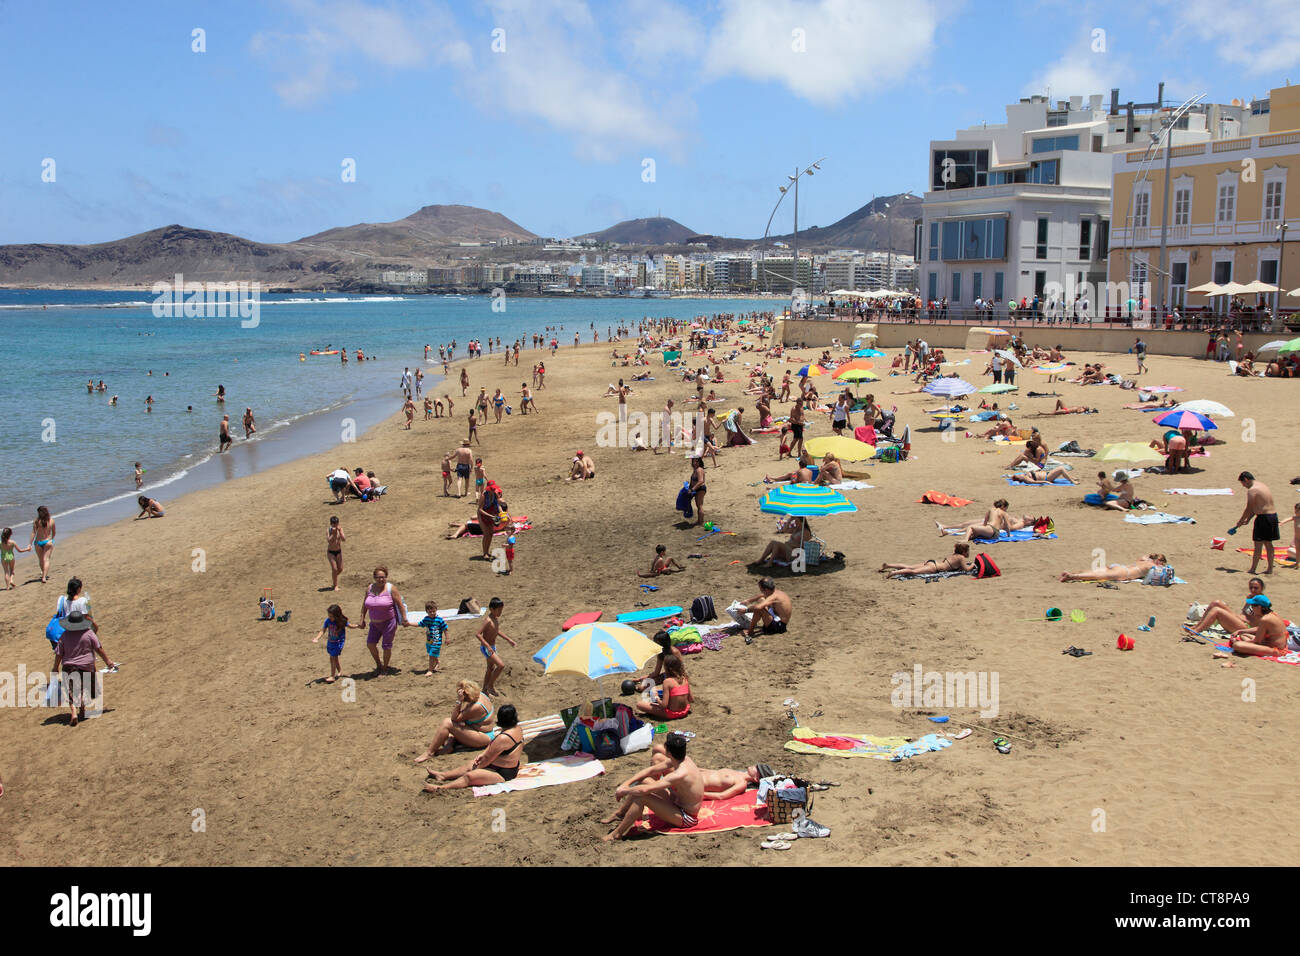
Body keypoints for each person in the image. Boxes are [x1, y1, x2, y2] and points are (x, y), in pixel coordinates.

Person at [603, 732, 704, 840]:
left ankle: (616, 834)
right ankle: (620, 814)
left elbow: (645, 790)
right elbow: (650, 770)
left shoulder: (679, 774)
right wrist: (626, 784)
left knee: (642, 798)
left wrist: (624, 791)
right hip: (676, 802)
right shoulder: (684, 759)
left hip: (686, 817)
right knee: (645, 780)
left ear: (669, 753)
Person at [423, 703, 525, 792]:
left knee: (470, 776)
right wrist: (483, 754)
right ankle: (443, 775)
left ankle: (440, 788)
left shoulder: (503, 738)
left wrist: (476, 768)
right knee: (470, 765)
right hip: (504, 766)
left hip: (503, 773)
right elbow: (492, 748)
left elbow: (487, 759)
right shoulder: (517, 729)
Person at [54, 611, 116, 726]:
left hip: (69, 666)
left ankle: (74, 712)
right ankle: (82, 708)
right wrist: (108, 661)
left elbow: (59, 654)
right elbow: (99, 648)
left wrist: (55, 667)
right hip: (87, 666)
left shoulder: (64, 636)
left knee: (69, 690)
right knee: (83, 688)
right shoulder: (89, 633)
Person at [414, 679, 498, 762]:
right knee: (450, 730)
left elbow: (454, 718)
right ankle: (448, 747)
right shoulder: (481, 695)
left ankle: (429, 753)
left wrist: (459, 701)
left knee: (447, 723)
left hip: (483, 736)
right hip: (477, 730)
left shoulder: (476, 707)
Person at [359, 566, 408, 676]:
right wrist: (362, 619)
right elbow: (364, 605)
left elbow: (400, 604)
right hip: (374, 623)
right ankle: (378, 664)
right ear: (374, 577)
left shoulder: (391, 588)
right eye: (378, 577)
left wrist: (404, 618)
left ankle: (385, 667)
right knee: (370, 644)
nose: (381, 579)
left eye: (383, 577)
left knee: (386, 646)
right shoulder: (370, 588)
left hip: (389, 622)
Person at [1214, 595, 1293, 659]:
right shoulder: (1272, 614)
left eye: (1252, 606)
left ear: (1259, 607)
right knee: (1243, 635)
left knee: (1237, 645)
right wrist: (1240, 631)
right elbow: (1259, 629)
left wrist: (1237, 642)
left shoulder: (1265, 619)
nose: (1251, 608)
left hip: (1277, 650)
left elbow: (1257, 641)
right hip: (1271, 643)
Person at [1184, 577, 1266, 636]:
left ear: (1262, 588)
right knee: (1216, 603)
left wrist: (1240, 618)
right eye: (1251, 587)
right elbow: (1244, 612)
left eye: (1256, 588)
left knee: (1217, 610)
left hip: (1246, 627)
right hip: (1240, 620)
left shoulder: (1261, 603)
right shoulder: (1251, 597)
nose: (1253, 590)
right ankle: (1198, 625)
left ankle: (1197, 630)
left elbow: (1257, 623)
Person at [1233, 472, 1279, 574]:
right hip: (1273, 516)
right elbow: (1258, 506)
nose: (1244, 486)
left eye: (1243, 484)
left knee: (1258, 545)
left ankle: (1253, 569)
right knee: (1268, 544)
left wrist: (1240, 521)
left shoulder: (1252, 490)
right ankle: (1270, 569)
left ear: (1246, 479)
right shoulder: (1262, 485)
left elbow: (1249, 508)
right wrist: (1248, 519)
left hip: (1263, 518)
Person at [477, 597, 517, 697]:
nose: (500, 612)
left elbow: (497, 631)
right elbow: (477, 634)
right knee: (501, 665)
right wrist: (487, 645)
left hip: (492, 647)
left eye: (501, 610)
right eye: (498, 610)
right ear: (491, 609)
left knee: (490, 668)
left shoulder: (495, 619)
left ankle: (484, 690)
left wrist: (508, 639)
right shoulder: (488, 620)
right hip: (487, 648)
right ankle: (490, 686)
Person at [634, 655, 693, 720]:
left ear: (667, 668)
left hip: (672, 714)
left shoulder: (667, 682)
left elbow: (663, 705)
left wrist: (656, 697)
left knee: (639, 704)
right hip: (685, 712)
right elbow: (691, 699)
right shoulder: (685, 679)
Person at [312, 604, 358, 683]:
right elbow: (322, 630)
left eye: (331, 616)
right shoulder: (328, 621)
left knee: (332, 658)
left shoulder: (341, 621)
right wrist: (317, 638)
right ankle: (340, 671)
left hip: (338, 643)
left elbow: (350, 626)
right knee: (334, 657)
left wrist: (358, 626)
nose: (330, 618)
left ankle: (332, 676)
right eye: (329, 616)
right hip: (330, 642)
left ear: (337, 616)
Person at [879, 542, 973, 579]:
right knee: (913, 572)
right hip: (934, 568)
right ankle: (893, 573)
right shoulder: (961, 558)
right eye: (968, 551)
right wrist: (973, 565)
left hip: (933, 562)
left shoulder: (954, 554)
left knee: (909, 566)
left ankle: (888, 565)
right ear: (964, 552)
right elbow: (966, 569)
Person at [1059, 553, 1166, 583]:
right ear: (1159, 561)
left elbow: (1142, 557)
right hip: (1124, 572)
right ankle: (1072, 576)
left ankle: (1073, 574)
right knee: (1096, 576)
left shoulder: (1145, 559)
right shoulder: (1153, 565)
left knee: (1095, 572)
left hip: (1120, 566)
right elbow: (1161, 575)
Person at [416, 601, 448, 676]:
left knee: (431, 655)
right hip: (429, 641)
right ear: (426, 611)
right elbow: (419, 624)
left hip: (437, 642)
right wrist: (409, 624)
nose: (432, 613)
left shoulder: (440, 620)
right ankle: (437, 662)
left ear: (436, 610)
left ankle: (430, 670)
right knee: (431, 653)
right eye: (430, 612)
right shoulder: (426, 619)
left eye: (433, 611)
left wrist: (447, 638)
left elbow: (445, 629)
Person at [29, 505, 55, 583]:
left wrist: (29, 543)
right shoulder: (51, 520)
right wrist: (51, 539)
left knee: (41, 560)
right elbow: (54, 532)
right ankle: (44, 577)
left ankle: (43, 574)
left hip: (38, 542)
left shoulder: (36, 521)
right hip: (48, 541)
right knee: (46, 559)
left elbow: (33, 533)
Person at [326, 515, 345, 590]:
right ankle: (335, 585)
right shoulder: (328, 530)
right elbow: (329, 541)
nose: (335, 525)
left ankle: (334, 578)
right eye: (334, 524)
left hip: (338, 551)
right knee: (334, 569)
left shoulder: (340, 529)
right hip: (331, 552)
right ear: (331, 524)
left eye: (336, 523)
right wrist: (333, 534)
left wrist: (340, 532)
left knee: (340, 569)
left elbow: (344, 539)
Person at [687, 456, 707, 528]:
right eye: (693, 461)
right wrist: (689, 488)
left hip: (700, 489)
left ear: (699, 462)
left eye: (696, 461)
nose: (695, 463)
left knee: (700, 505)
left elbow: (701, 481)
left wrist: (692, 489)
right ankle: (699, 521)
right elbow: (692, 481)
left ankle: (700, 522)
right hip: (696, 489)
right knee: (698, 505)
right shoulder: (695, 470)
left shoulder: (699, 470)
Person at [1008, 466, 1076, 485]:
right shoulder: (1026, 479)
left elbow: (1012, 477)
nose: (1019, 474)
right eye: (1018, 476)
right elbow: (1034, 482)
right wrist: (1046, 482)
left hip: (1047, 474)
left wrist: (1010, 477)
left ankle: (1071, 478)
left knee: (1060, 469)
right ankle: (1072, 481)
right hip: (1047, 478)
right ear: (1019, 479)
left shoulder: (1023, 475)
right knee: (1061, 469)